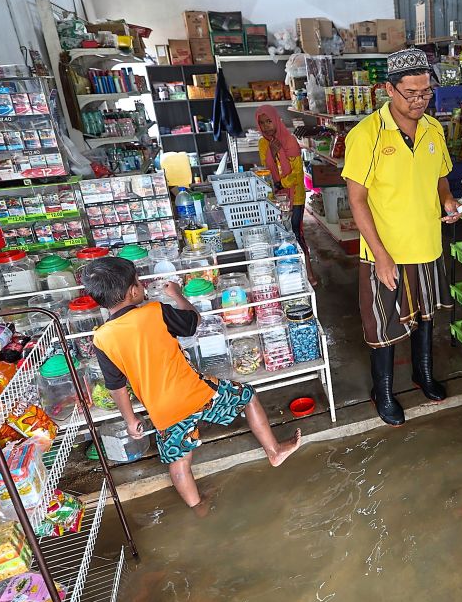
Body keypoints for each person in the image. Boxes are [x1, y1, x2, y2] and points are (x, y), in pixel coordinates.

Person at [83, 256, 302, 510]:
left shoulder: (102, 338)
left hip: (163, 411)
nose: (142, 286)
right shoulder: (154, 311)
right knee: (248, 396)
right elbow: (192, 323)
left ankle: (198, 507)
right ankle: (274, 451)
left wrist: (131, 419)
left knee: (179, 462)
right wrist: (177, 295)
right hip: (196, 392)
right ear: (133, 291)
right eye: (139, 282)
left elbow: (116, 384)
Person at [342, 48, 461, 426]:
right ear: (388, 89)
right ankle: (384, 390)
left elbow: (440, 173)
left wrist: (447, 199)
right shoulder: (366, 135)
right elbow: (356, 200)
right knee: (384, 326)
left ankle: (423, 375)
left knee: (426, 318)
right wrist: (380, 254)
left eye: (425, 93)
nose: (418, 101)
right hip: (386, 250)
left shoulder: (433, 128)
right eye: (410, 93)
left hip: (427, 244)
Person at [255, 105, 317, 283]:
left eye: (269, 121)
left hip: (295, 193)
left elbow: (297, 174)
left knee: (296, 232)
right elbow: (265, 169)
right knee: (281, 234)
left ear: (276, 120)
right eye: (262, 123)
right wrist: (272, 153)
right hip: (275, 195)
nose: (267, 127)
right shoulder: (262, 143)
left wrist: (280, 183)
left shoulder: (289, 140)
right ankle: (292, 272)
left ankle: (309, 272)